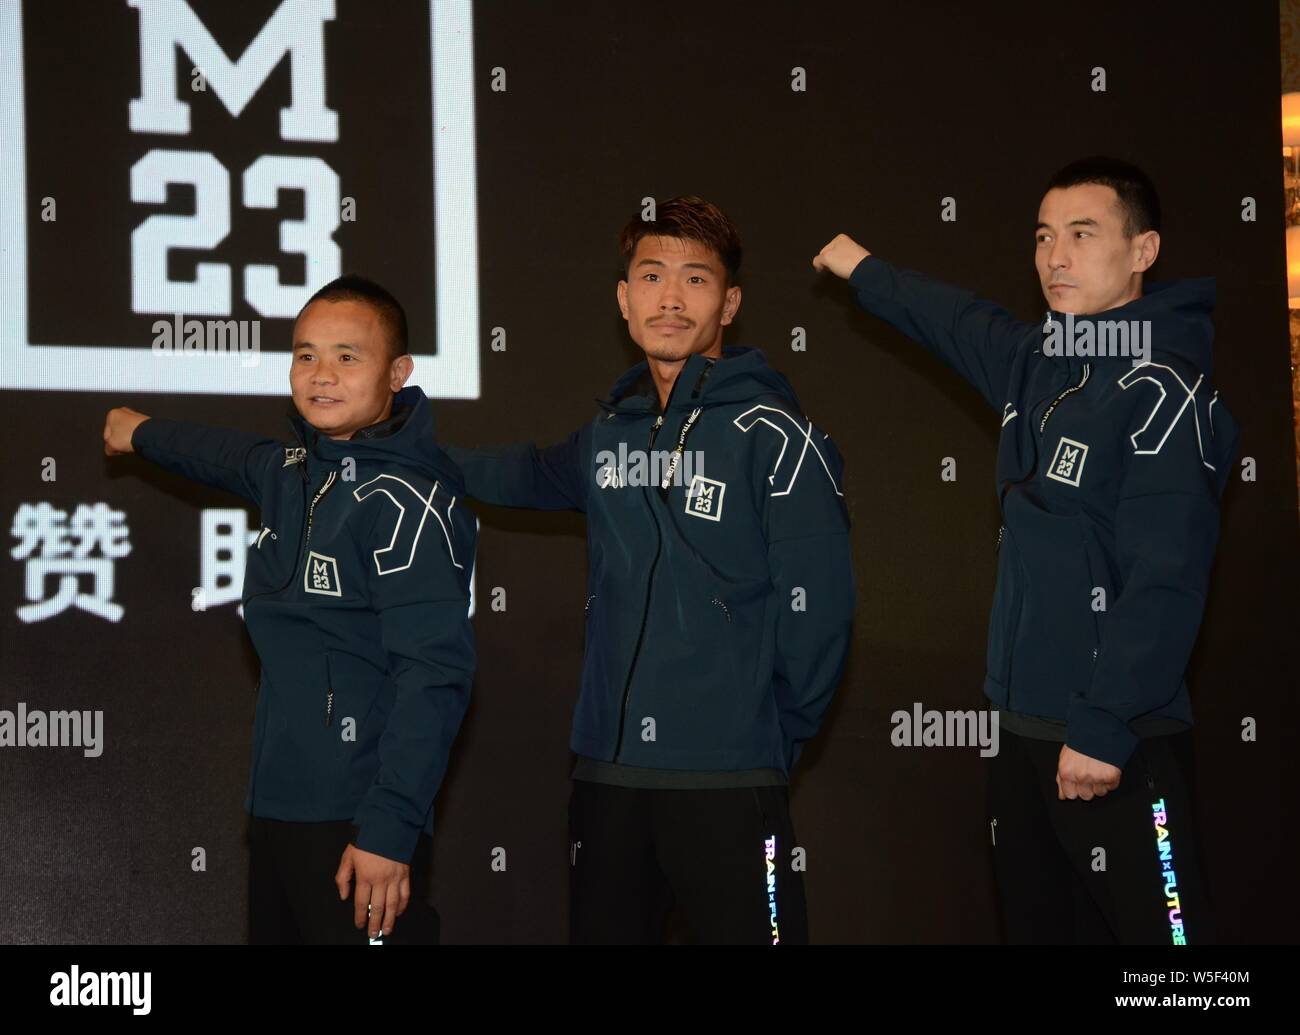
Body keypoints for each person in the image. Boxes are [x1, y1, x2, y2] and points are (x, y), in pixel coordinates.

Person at [813, 156, 1237, 944]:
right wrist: (861, 266)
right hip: (1025, 731)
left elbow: (1167, 579)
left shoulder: (1163, 391)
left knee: (1178, 978)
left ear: (1143, 251)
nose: (1055, 257)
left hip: (1117, 739)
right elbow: (955, 319)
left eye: (1082, 234)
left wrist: (1104, 726)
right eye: (1044, 236)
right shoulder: (1034, 361)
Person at [446, 195, 856, 944]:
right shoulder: (610, 431)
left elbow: (821, 612)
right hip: (608, 782)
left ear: (729, 302)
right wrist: (401, 447)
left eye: (695, 280)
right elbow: (524, 473)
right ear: (623, 299)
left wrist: (760, 741)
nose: (671, 297)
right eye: (651, 276)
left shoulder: (777, 435)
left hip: (731, 783)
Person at [103, 275, 475, 944]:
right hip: (278, 811)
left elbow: (435, 677)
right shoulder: (292, 469)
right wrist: (139, 432)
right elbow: (222, 454)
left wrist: (389, 830)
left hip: (359, 821)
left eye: (346, 356)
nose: (321, 374)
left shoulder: (410, 502)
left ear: (398, 373)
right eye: (305, 354)